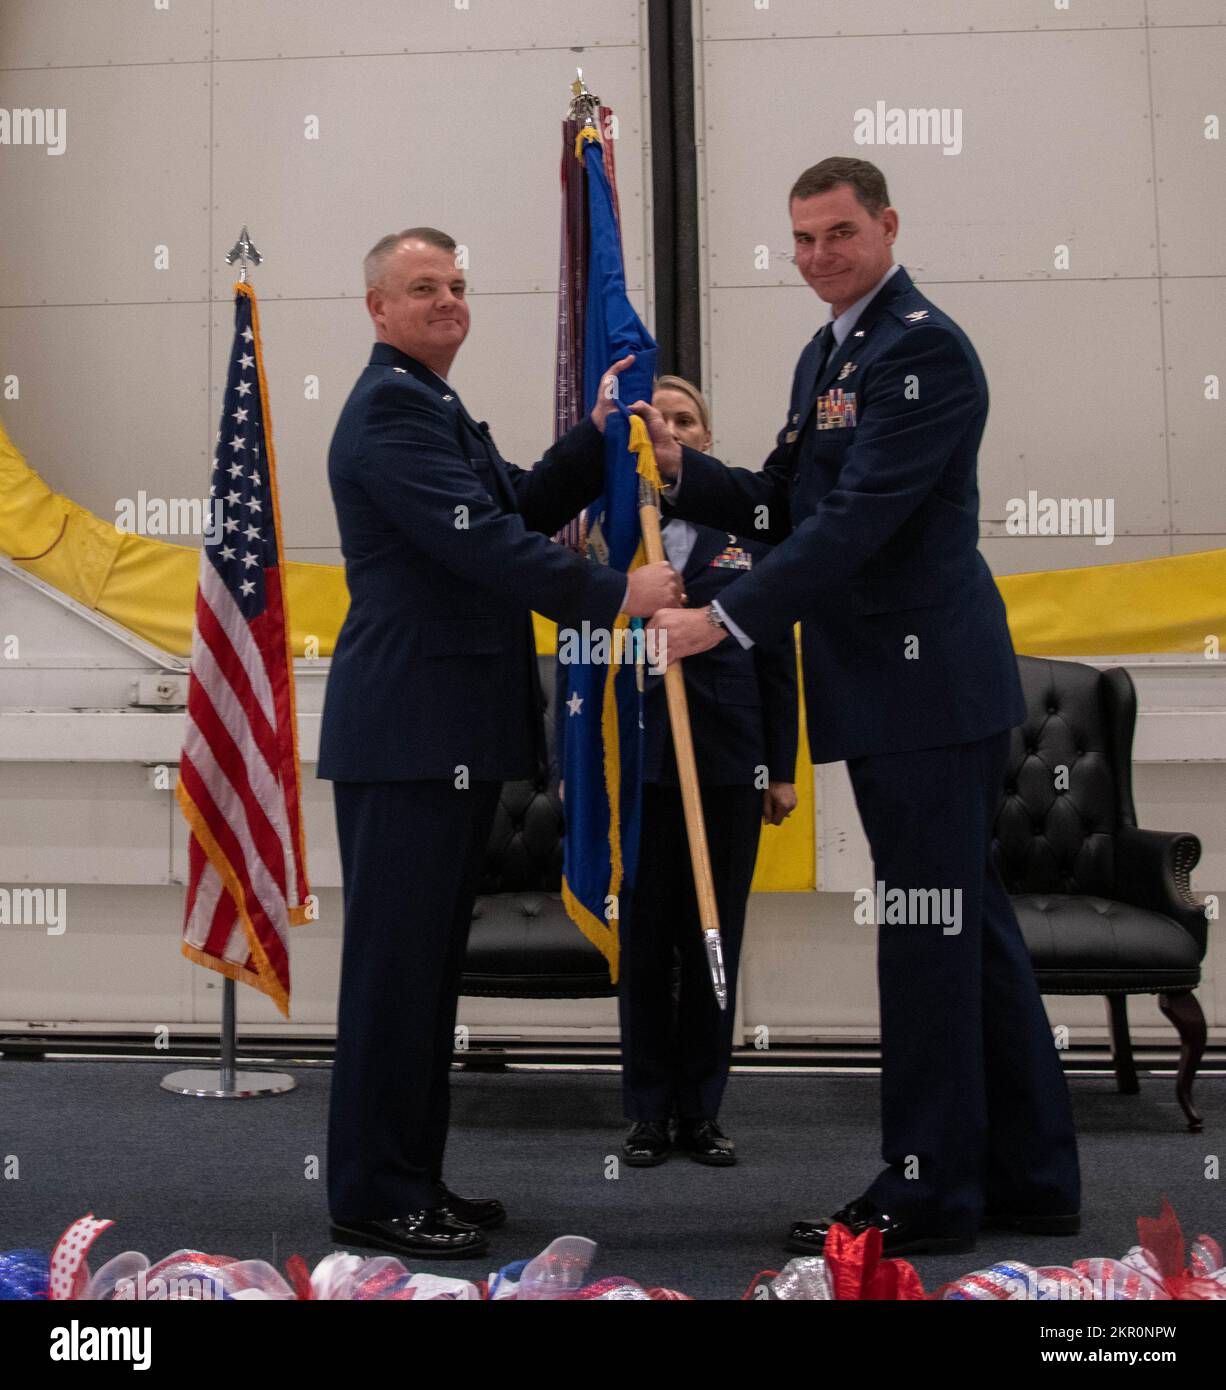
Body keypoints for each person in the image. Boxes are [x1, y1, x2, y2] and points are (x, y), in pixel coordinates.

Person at [635, 159, 1081, 1257]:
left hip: (924, 689)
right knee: (968, 931)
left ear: (885, 225)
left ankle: (923, 1190)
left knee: (927, 937)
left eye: (838, 233)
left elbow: (857, 524)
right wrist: (678, 470)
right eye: (800, 240)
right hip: (895, 688)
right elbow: (786, 500)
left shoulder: (917, 347)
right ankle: (1028, 1176)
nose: (817, 257)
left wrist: (720, 618)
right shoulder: (829, 349)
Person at [318, 227, 680, 1260]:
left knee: (424, 972)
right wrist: (620, 592)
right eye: (421, 286)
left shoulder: (427, 405)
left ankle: (410, 1175)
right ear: (376, 308)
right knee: (396, 977)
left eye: (458, 285)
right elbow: (484, 542)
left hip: (441, 736)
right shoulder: (390, 408)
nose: (446, 300)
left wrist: (598, 434)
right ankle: (375, 1194)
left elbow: (509, 500)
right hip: (409, 736)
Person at [618, 375, 798, 1170]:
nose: (676, 432)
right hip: (640, 766)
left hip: (729, 762)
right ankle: (649, 1112)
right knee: (649, 944)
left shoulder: (751, 537)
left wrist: (781, 768)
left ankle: (703, 1109)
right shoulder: (611, 537)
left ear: (707, 438)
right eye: (661, 421)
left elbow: (777, 660)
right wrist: (574, 770)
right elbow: (580, 668)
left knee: (713, 938)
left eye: (686, 421)